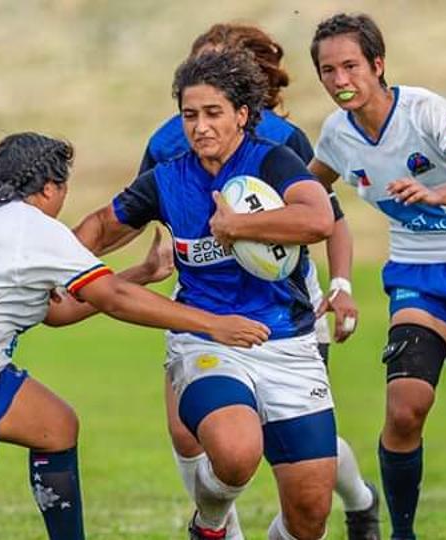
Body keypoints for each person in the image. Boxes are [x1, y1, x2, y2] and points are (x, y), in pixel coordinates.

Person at [0, 132, 270, 540]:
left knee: (55, 426)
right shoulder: (34, 229)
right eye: (63, 187)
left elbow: (56, 311)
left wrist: (144, 273)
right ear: (48, 188)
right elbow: (111, 297)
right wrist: (212, 323)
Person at [75, 49, 337, 540]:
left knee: (310, 517)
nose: (200, 127)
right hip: (206, 341)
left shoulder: (273, 161)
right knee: (237, 451)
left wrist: (239, 226)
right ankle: (211, 523)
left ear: (241, 114)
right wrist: (43, 258)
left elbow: (319, 219)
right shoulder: (168, 179)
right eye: (189, 115)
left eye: (213, 113)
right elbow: (100, 226)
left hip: (287, 343)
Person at [139, 23, 378, 540]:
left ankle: (359, 497)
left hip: (289, 308)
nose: (200, 116)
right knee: (197, 436)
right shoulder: (165, 143)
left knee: (299, 445)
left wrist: (340, 283)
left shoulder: (280, 140)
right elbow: (152, 208)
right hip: (206, 313)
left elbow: (326, 218)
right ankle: (221, 529)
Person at [309, 13, 446, 539]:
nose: (340, 80)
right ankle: (401, 534)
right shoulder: (337, 135)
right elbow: (306, 190)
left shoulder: (430, 112)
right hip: (417, 272)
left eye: (350, 66)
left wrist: (435, 193)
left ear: (378, 65)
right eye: (327, 70)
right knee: (406, 408)